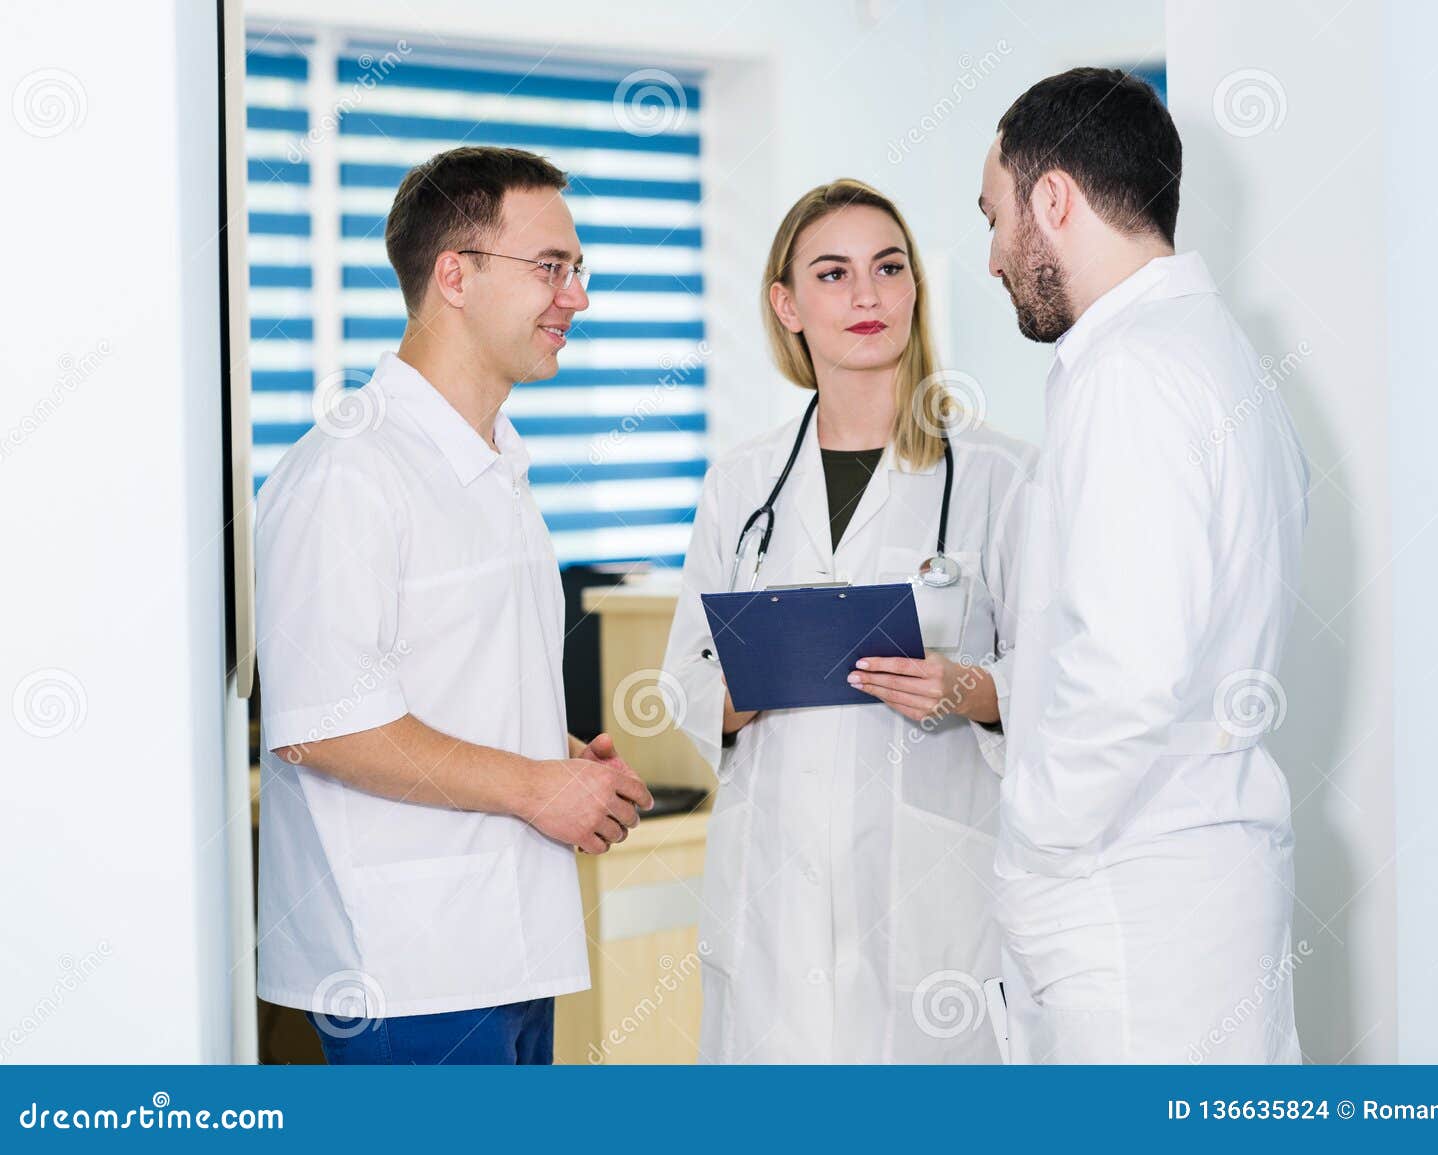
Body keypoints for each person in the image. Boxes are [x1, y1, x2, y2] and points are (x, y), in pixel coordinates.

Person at [254, 146, 653, 1065]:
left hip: (507, 951)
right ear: (455, 275)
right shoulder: (351, 469)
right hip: (408, 970)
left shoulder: (495, 465)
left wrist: (557, 757)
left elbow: (435, 685)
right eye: (552, 267)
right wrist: (536, 786)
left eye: (577, 269)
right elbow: (323, 726)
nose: (577, 296)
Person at [662, 179, 1037, 1063]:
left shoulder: (1000, 477)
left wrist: (974, 687)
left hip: (931, 903)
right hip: (773, 908)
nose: (867, 296)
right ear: (786, 304)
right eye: (832, 274)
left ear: (914, 289)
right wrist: (738, 692)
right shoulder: (741, 484)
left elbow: (1058, 678)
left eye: (889, 267)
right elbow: (679, 677)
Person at [977, 69, 1310, 1063]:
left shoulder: (1128, 375)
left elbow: (1127, 668)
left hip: (1126, 904)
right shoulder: (1212, 354)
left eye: (994, 217)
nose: (993, 257)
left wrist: (1032, 840)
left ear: (1052, 199)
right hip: (1195, 890)